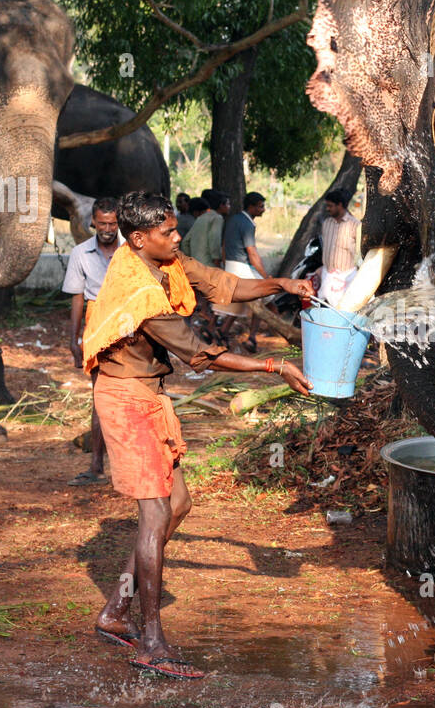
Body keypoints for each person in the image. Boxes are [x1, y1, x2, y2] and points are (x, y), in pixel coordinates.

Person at [85, 191, 313, 678]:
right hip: (126, 400)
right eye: (168, 232)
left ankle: (114, 611)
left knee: (179, 504)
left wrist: (282, 284)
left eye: (174, 230)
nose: (177, 237)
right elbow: (200, 356)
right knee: (156, 513)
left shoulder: (162, 259)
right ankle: (152, 642)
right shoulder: (142, 291)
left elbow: (224, 284)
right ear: (139, 238)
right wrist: (274, 365)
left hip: (149, 394)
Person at [63, 197, 120, 486]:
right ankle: (96, 466)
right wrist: (75, 339)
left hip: (129, 322)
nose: (107, 228)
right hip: (97, 325)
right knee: (100, 397)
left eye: (112, 223)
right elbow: (77, 298)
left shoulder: (132, 251)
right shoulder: (80, 253)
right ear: (93, 223)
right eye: (102, 224)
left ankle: (130, 468)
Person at [216, 191, 272, 353]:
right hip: (242, 266)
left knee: (239, 303)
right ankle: (252, 337)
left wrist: (226, 266)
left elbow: (224, 245)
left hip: (232, 265)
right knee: (264, 296)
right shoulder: (248, 224)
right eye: (261, 207)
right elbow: (252, 253)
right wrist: (265, 276)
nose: (263, 210)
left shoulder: (233, 219)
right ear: (252, 207)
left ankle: (223, 330)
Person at [316, 188, 361, 305]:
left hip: (346, 277)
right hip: (328, 274)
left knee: (344, 309)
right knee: (325, 306)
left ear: (340, 205)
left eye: (330, 206)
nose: (327, 209)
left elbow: (360, 253)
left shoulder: (355, 225)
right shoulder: (327, 223)